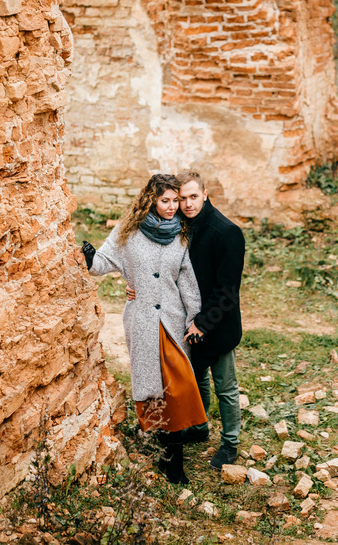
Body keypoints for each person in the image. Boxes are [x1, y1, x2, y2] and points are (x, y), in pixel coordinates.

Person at [81, 174, 207, 485]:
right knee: (153, 390)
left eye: (175, 201)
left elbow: (187, 281)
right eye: (165, 201)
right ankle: (165, 452)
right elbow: (103, 262)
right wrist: (89, 258)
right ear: (151, 200)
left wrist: (195, 318)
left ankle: (175, 463)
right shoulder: (128, 234)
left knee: (176, 388)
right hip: (141, 321)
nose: (172, 206)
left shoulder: (180, 235)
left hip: (173, 323)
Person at [176, 170, 246, 471]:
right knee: (197, 377)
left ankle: (230, 443)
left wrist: (203, 324)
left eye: (193, 196)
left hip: (218, 322)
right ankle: (200, 426)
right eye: (182, 199)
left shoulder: (226, 232)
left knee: (225, 386)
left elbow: (228, 291)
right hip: (189, 318)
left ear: (205, 194)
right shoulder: (179, 226)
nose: (188, 204)